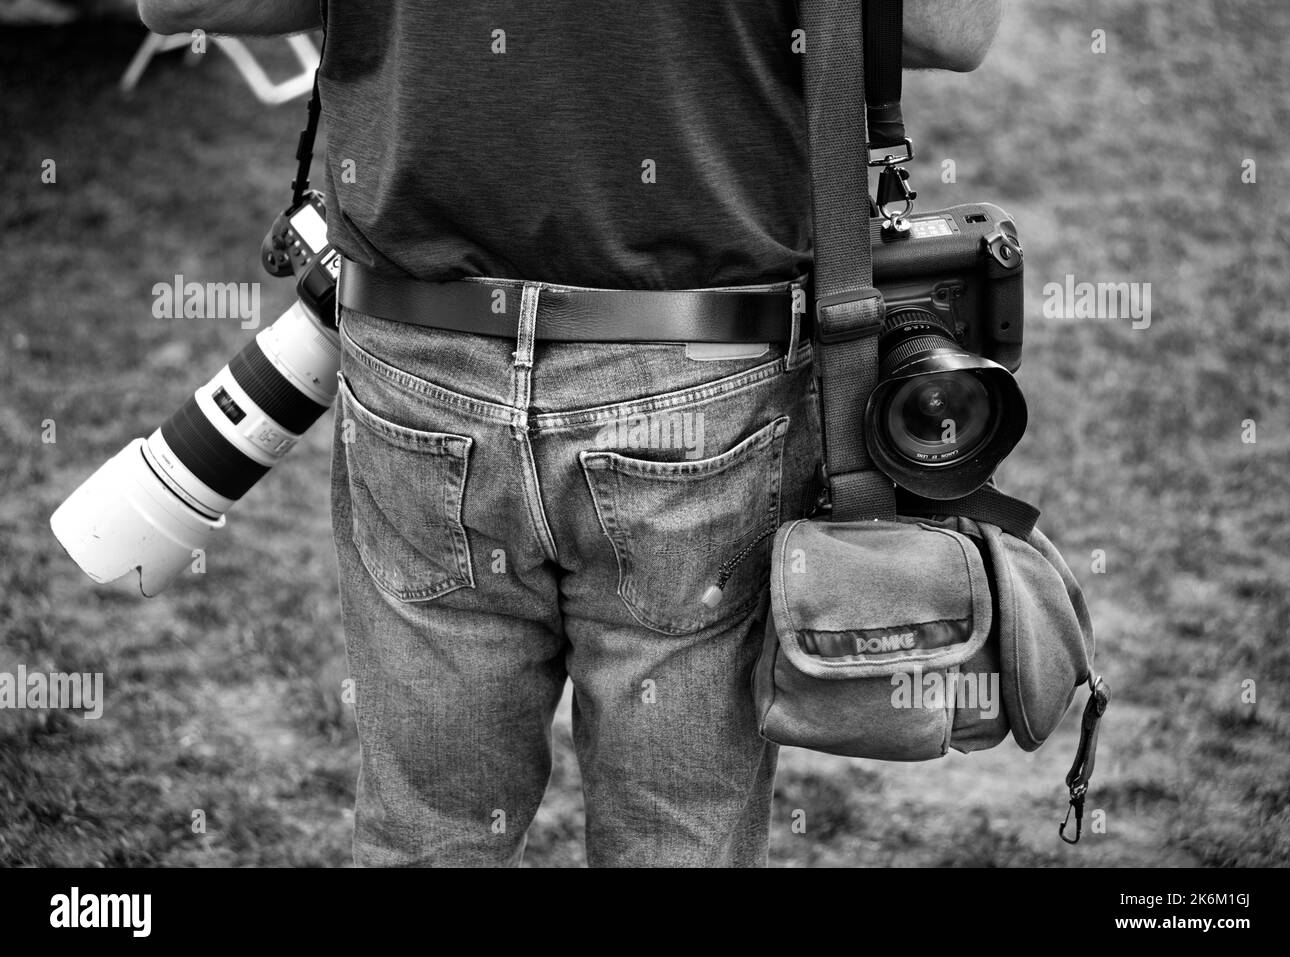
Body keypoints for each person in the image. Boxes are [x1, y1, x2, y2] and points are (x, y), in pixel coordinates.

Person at [138, 0, 1002, 867]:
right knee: (679, 839)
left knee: (428, 838)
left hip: (422, 356)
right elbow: (950, 28)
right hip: (698, 372)